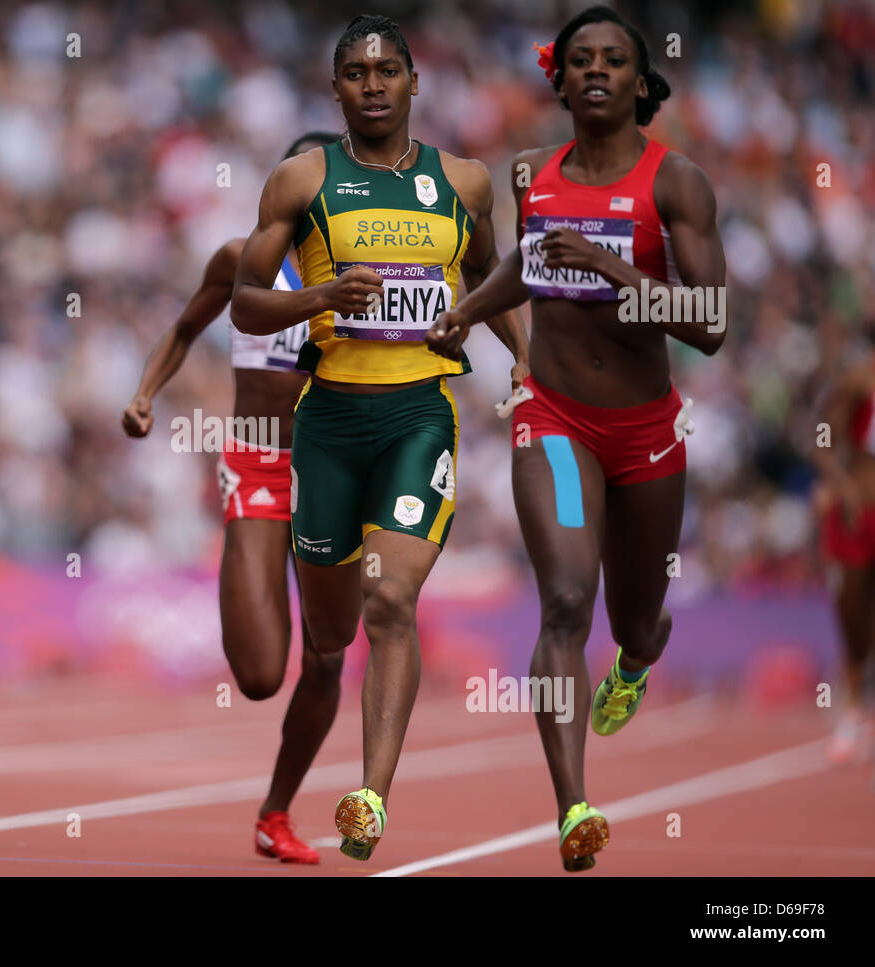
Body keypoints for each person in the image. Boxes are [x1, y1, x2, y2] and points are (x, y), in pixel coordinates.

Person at [429, 5, 727, 870]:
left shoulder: (679, 185)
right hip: (553, 415)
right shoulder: (531, 172)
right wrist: (466, 311)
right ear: (557, 79)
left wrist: (616, 269)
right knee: (565, 599)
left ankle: (638, 653)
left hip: (645, 433)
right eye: (579, 60)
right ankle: (574, 808)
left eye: (613, 60)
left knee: (632, 617)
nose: (595, 71)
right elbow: (526, 264)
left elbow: (710, 323)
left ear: (641, 82)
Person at [232, 14, 529, 861]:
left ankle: (369, 795)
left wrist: (527, 363)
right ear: (335, 90)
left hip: (418, 415)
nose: (372, 84)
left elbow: (491, 280)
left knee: (390, 600)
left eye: (387, 70)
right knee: (326, 642)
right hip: (326, 424)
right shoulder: (300, 181)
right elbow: (247, 303)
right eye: (355, 73)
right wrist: (320, 299)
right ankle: (287, 789)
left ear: (413, 82)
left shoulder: (464, 182)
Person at [123, 132, 344, 864]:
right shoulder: (243, 258)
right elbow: (186, 326)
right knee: (256, 675)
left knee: (325, 659)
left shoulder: (376, 267)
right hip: (258, 460)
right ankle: (246, 565)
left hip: (339, 471)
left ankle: (274, 812)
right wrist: (146, 393)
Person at [814, 329, 875, 763]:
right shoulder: (859, 381)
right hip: (860, 512)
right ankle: (852, 712)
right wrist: (843, 486)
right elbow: (821, 439)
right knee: (853, 614)